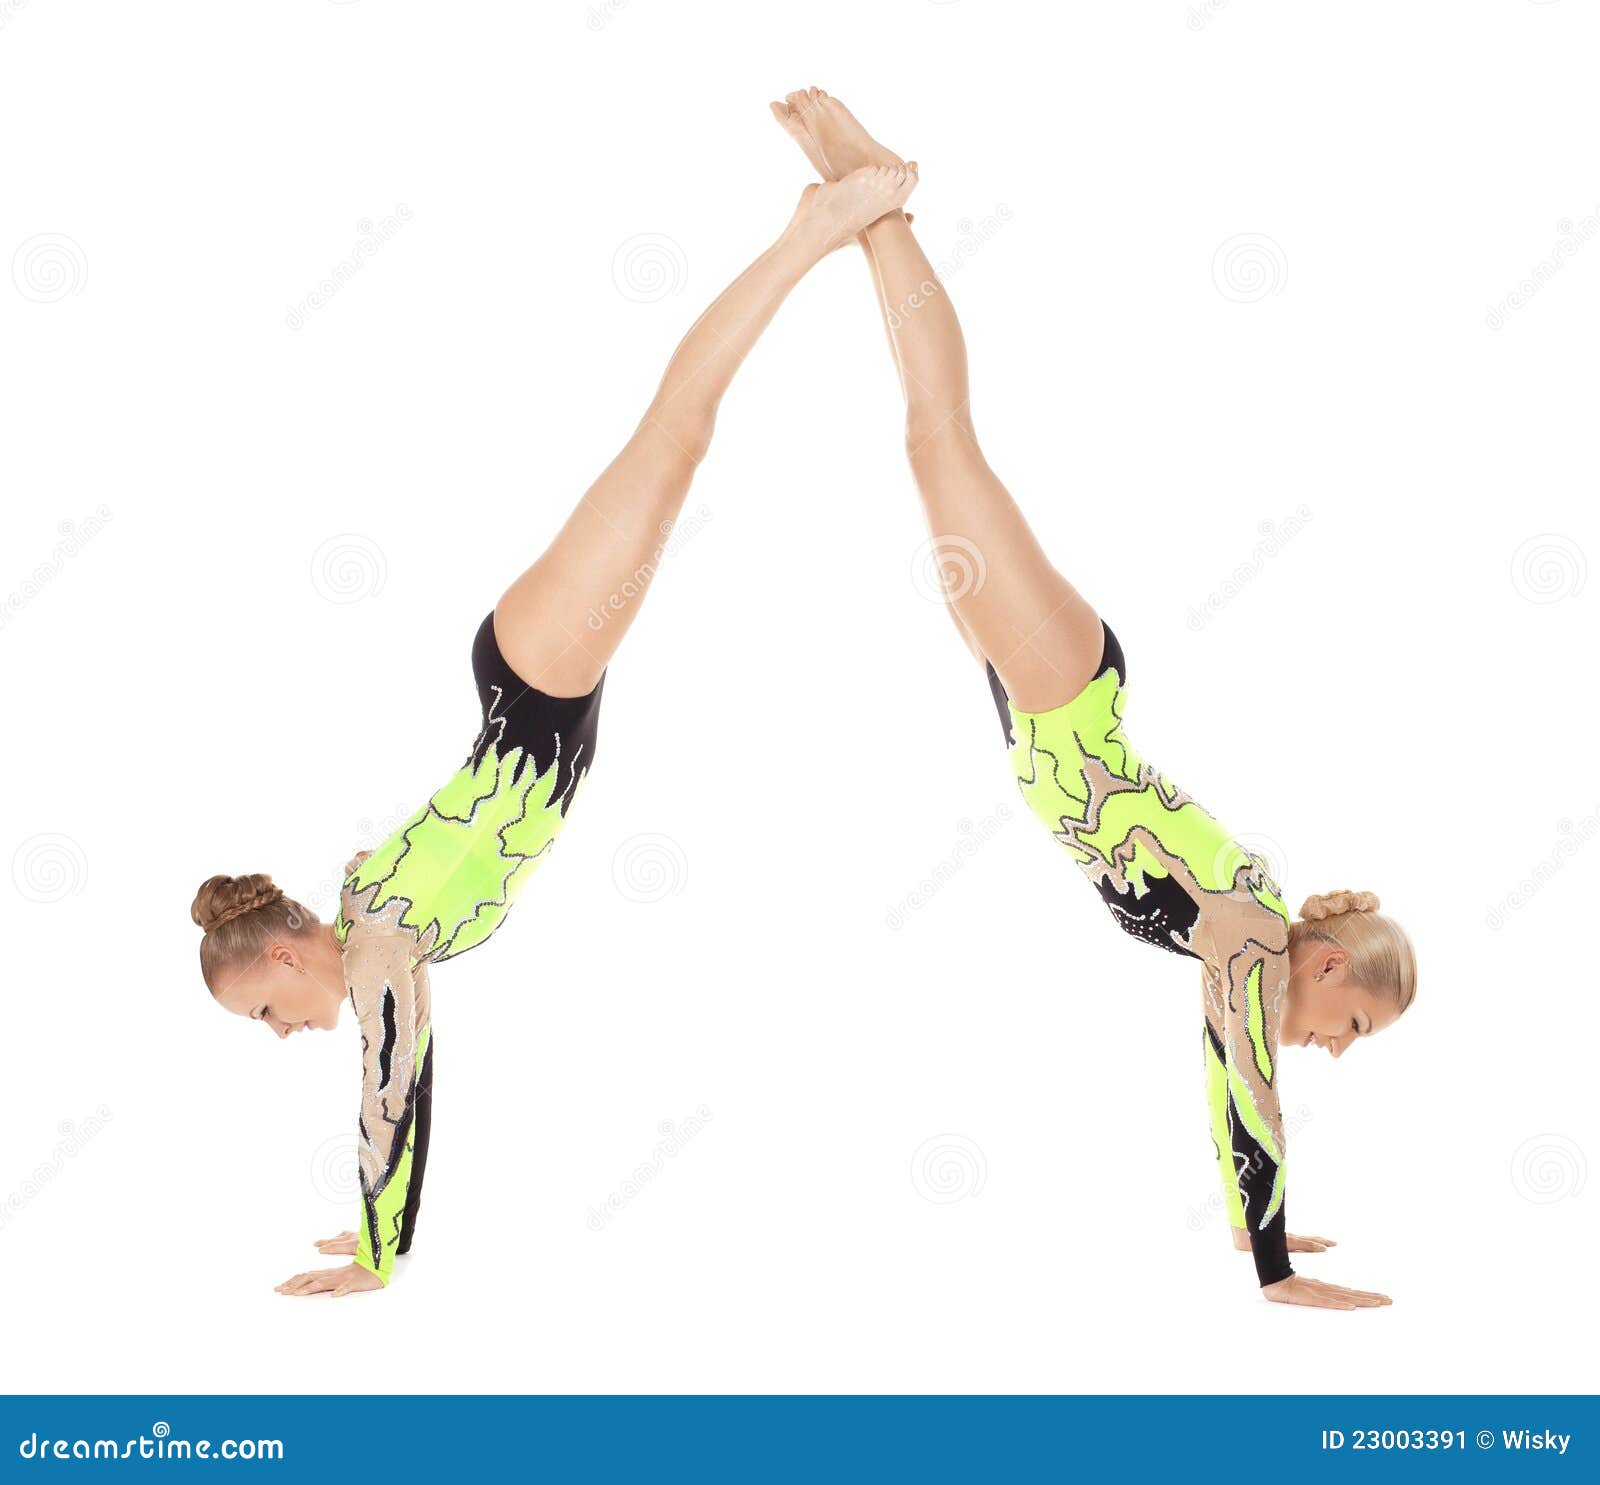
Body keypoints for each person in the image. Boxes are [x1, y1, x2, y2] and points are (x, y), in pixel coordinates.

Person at [191, 160, 919, 1297]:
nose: (282, 1032)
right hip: (539, 690)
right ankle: (815, 231)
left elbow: (389, 1079)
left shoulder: (377, 943)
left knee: (675, 435)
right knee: (673, 444)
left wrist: (380, 1255)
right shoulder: (373, 934)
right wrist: (381, 1235)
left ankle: (815, 230)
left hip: (534, 684)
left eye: (263, 1011)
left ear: (284, 955)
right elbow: (409, 1075)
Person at [772, 87, 1415, 1310]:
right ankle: (881, 202)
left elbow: (1231, 1077)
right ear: (1326, 966)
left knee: (933, 446)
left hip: (1035, 712)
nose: (1331, 1049)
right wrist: (1277, 1271)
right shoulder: (1244, 931)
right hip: (1068, 699)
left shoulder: (1250, 936)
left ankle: (871, 210)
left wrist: (1248, 1232)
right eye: (1352, 1027)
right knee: (942, 440)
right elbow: (1247, 1076)